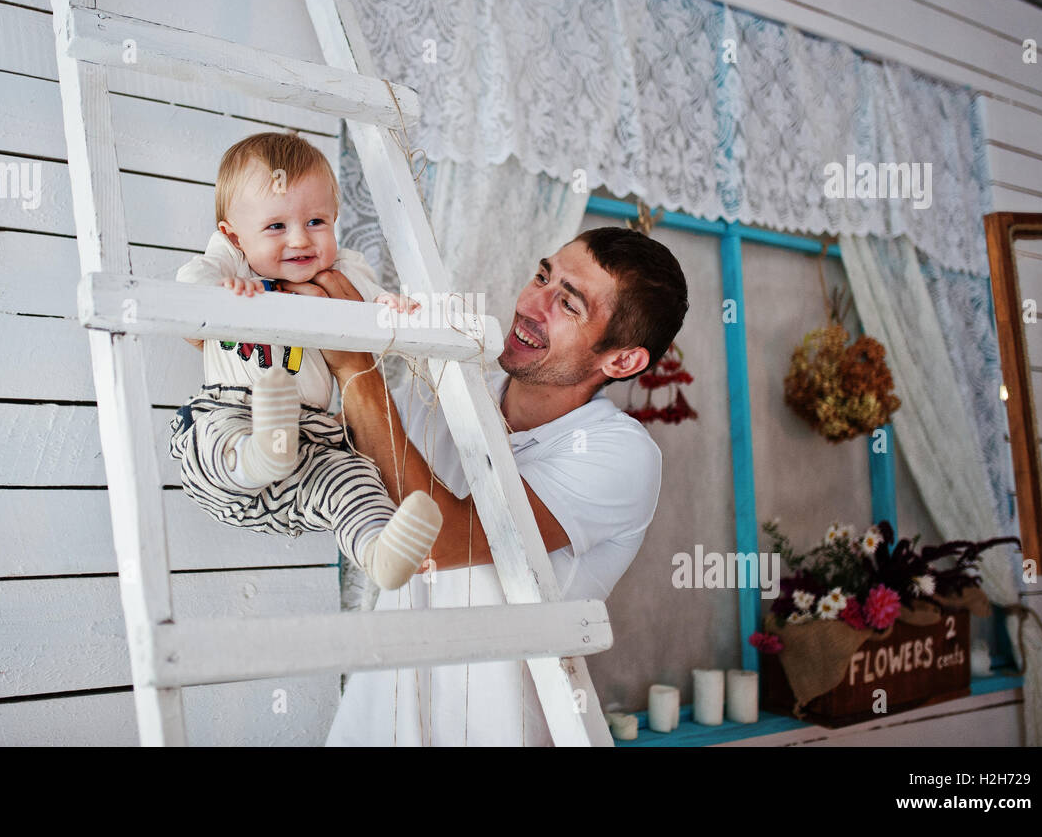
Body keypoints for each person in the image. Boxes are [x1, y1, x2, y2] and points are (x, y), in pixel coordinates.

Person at [279, 225, 689, 746]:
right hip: (381, 723)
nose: (530, 304)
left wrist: (356, 365)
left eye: (568, 304)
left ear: (623, 360)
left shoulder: (621, 454)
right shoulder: (445, 393)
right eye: (543, 276)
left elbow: (442, 541)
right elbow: (319, 460)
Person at [170, 132, 441, 591]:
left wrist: (395, 309)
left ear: (335, 220)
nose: (300, 239)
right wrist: (223, 293)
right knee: (217, 433)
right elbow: (187, 293)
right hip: (233, 420)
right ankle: (256, 457)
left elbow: (376, 310)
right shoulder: (233, 269)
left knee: (351, 473)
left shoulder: (341, 274)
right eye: (276, 227)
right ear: (234, 236)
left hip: (306, 440)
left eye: (316, 221)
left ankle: (378, 549)